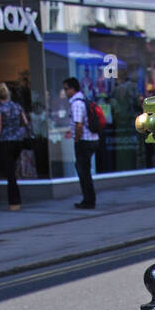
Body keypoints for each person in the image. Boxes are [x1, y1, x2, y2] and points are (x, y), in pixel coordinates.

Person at [0, 81, 28, 210]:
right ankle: (16, 200)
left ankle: (14, 202)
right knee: (13, 170)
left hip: (6, 142)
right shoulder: (18, 106)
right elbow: (25, 122)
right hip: (18, 141)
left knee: (10, 173)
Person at [63, 75, 98, 209]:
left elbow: (78, 124)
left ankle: (88, 200)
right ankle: (89, 199)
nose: (65, 92)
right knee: (85, 171)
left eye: (66, 89)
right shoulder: (83, 100)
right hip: (91, 139)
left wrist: (77, 139)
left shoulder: (76, 103)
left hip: (84, 141)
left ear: (73, 89)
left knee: (83, 171)